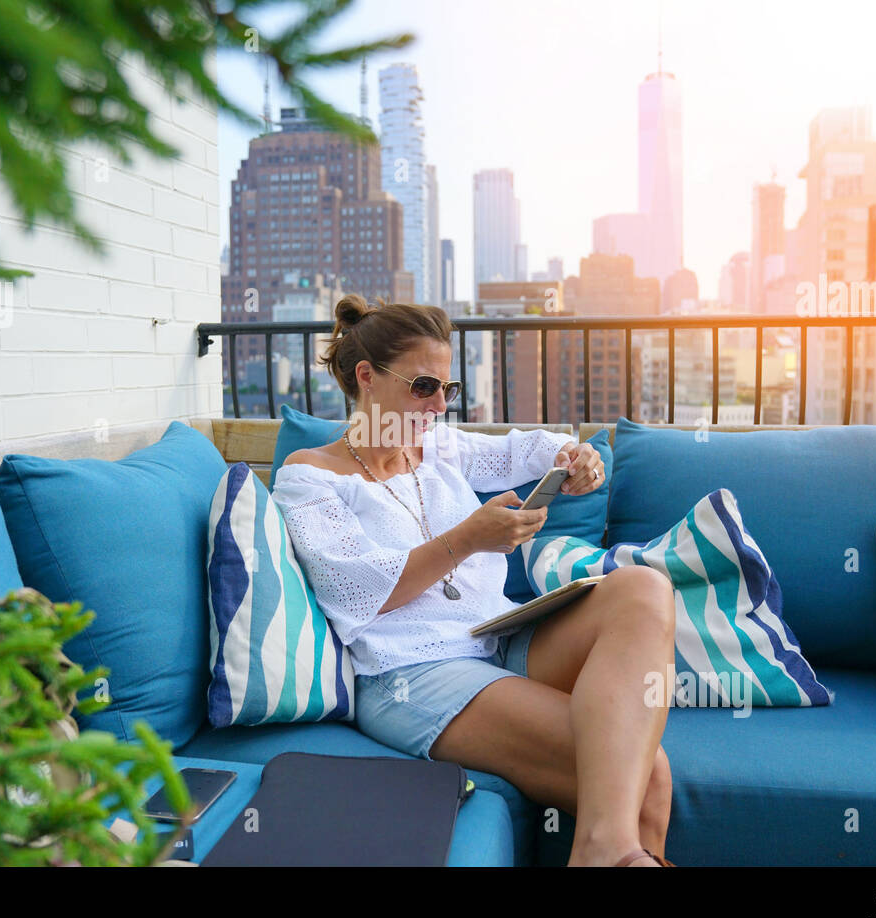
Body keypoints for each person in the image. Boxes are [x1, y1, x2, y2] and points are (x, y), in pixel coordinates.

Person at [270, 294, 677, 867]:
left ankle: (598, 852)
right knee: (650, 778)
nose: (439, 405)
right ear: (366, 377)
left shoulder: (437, 449)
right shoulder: (310, 477)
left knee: (645, 589)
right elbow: (359, 593)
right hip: (410, 671)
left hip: (496, 638)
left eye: (448, 390)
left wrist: (574, 455)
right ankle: (605, 851)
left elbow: (523, 449)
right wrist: (468, 538)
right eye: (423, 387)